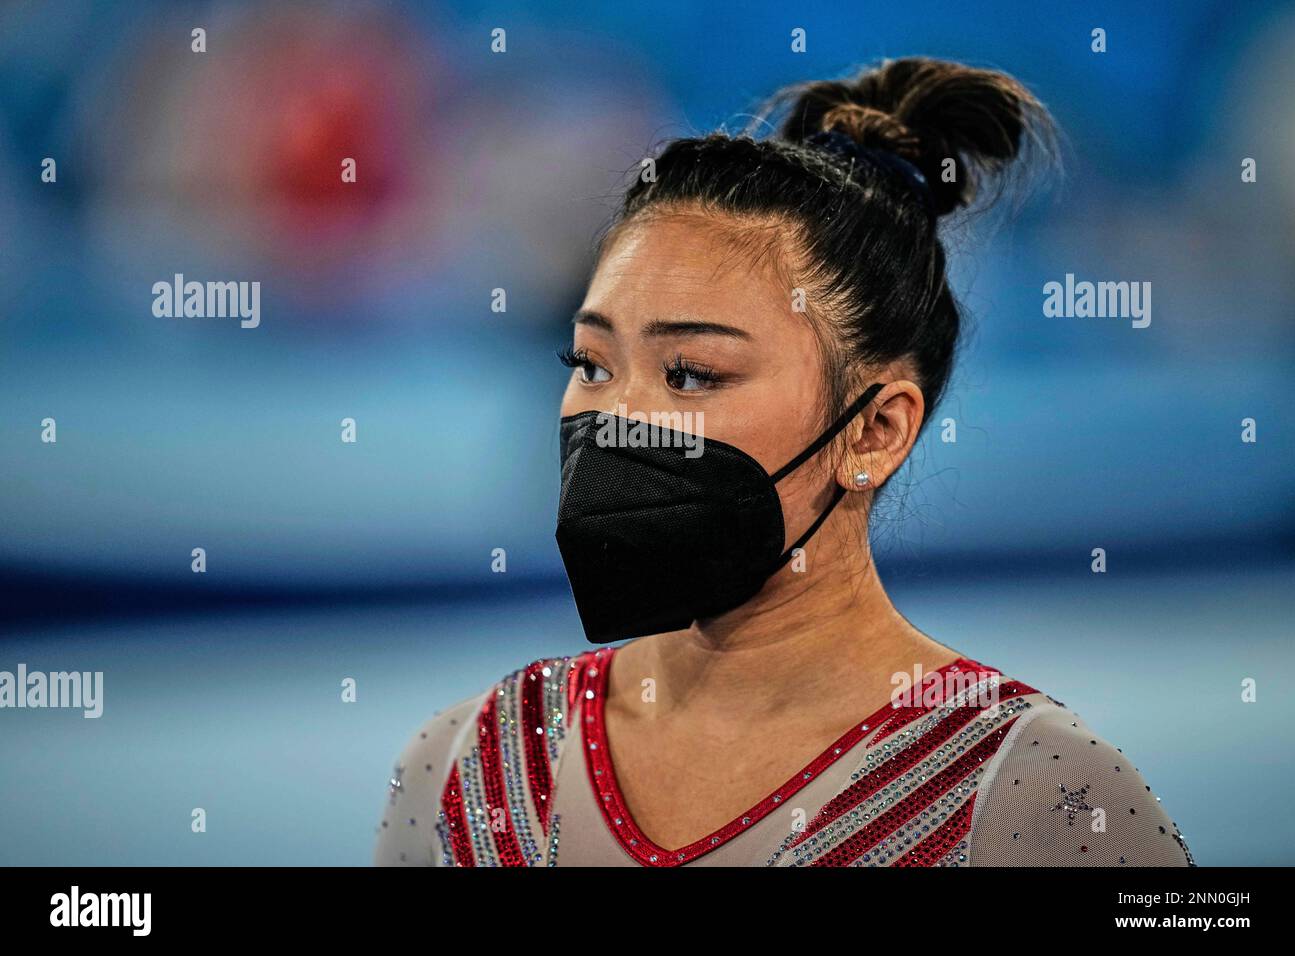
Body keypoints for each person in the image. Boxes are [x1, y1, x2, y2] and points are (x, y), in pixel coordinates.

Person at [375, 56, 1193, 867]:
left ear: (874, 430)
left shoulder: (1041, 796)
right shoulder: (465, 766)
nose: (617, 420)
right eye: (591, 365)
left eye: (691, 373)